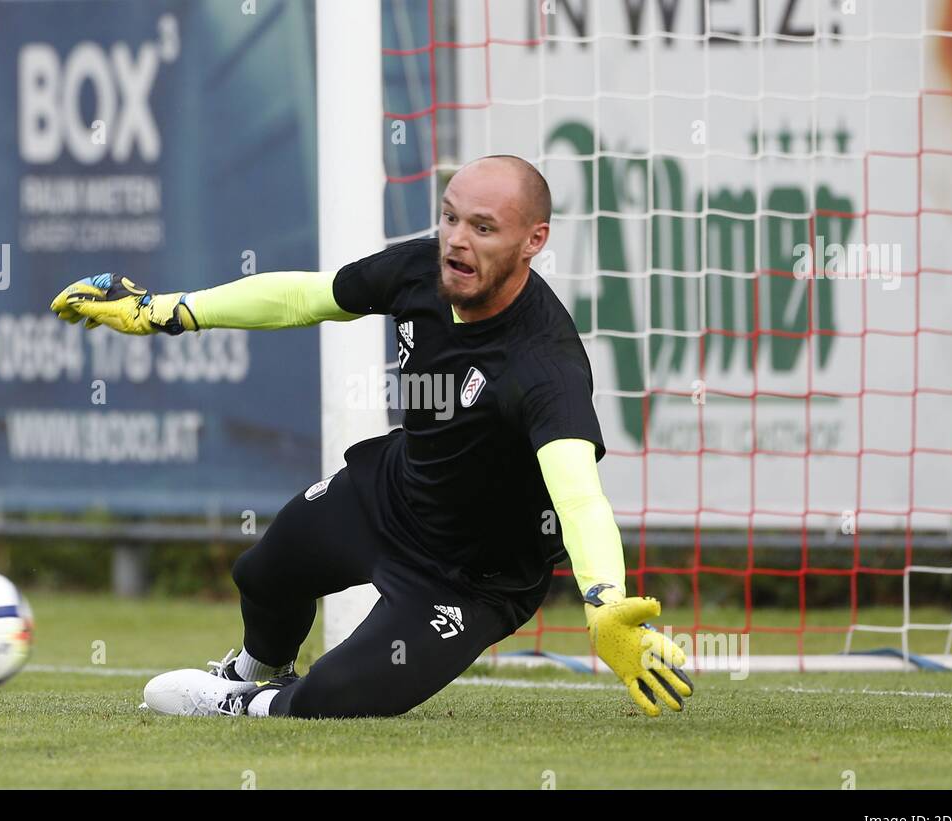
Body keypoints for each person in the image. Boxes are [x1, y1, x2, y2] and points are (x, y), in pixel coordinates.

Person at [49, 155, 693, 719]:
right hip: (391, 494)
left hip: (472, 578)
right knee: (264, 574)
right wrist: (167, 311)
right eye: (449, 217)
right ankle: (252, 674)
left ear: (534, 241)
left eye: (483, 227)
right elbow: (305, 296)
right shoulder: (422, 270)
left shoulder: (543, 365)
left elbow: (579, 496)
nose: (456, 241)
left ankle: (251, 707)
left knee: (337, 697)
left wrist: (605, 603)